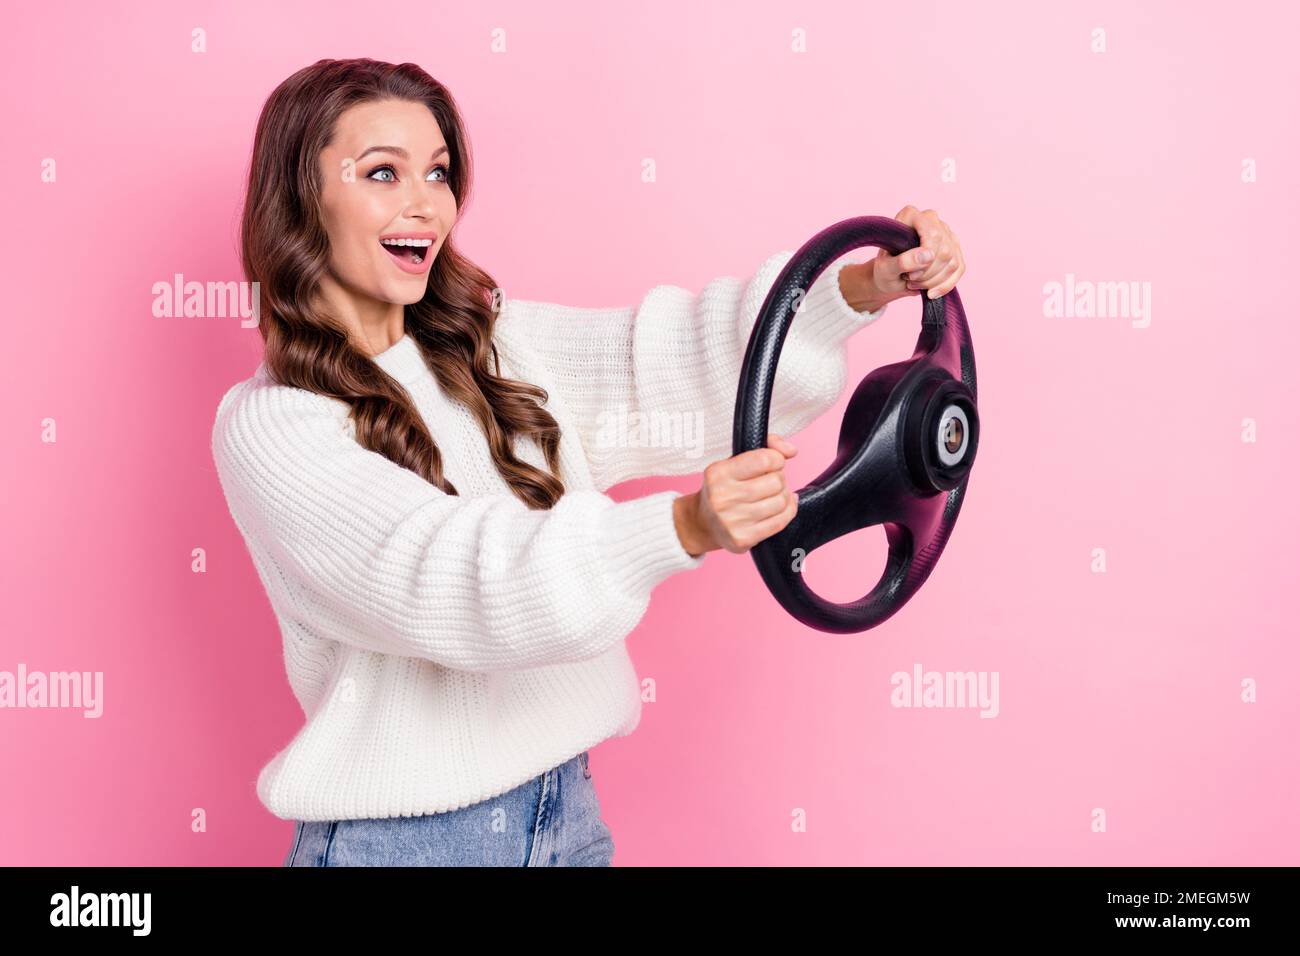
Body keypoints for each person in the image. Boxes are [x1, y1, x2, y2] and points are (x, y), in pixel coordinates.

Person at [210, 57, 966, 867]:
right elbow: (451, 578)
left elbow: (668, 365)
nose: (425, 202)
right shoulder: (274, 427)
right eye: (382, 173)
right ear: (299, 200)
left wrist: (854, 289)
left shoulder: (497, 348)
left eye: (437, 171)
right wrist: (681, 525)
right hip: (403, 846)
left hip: (566, 815)